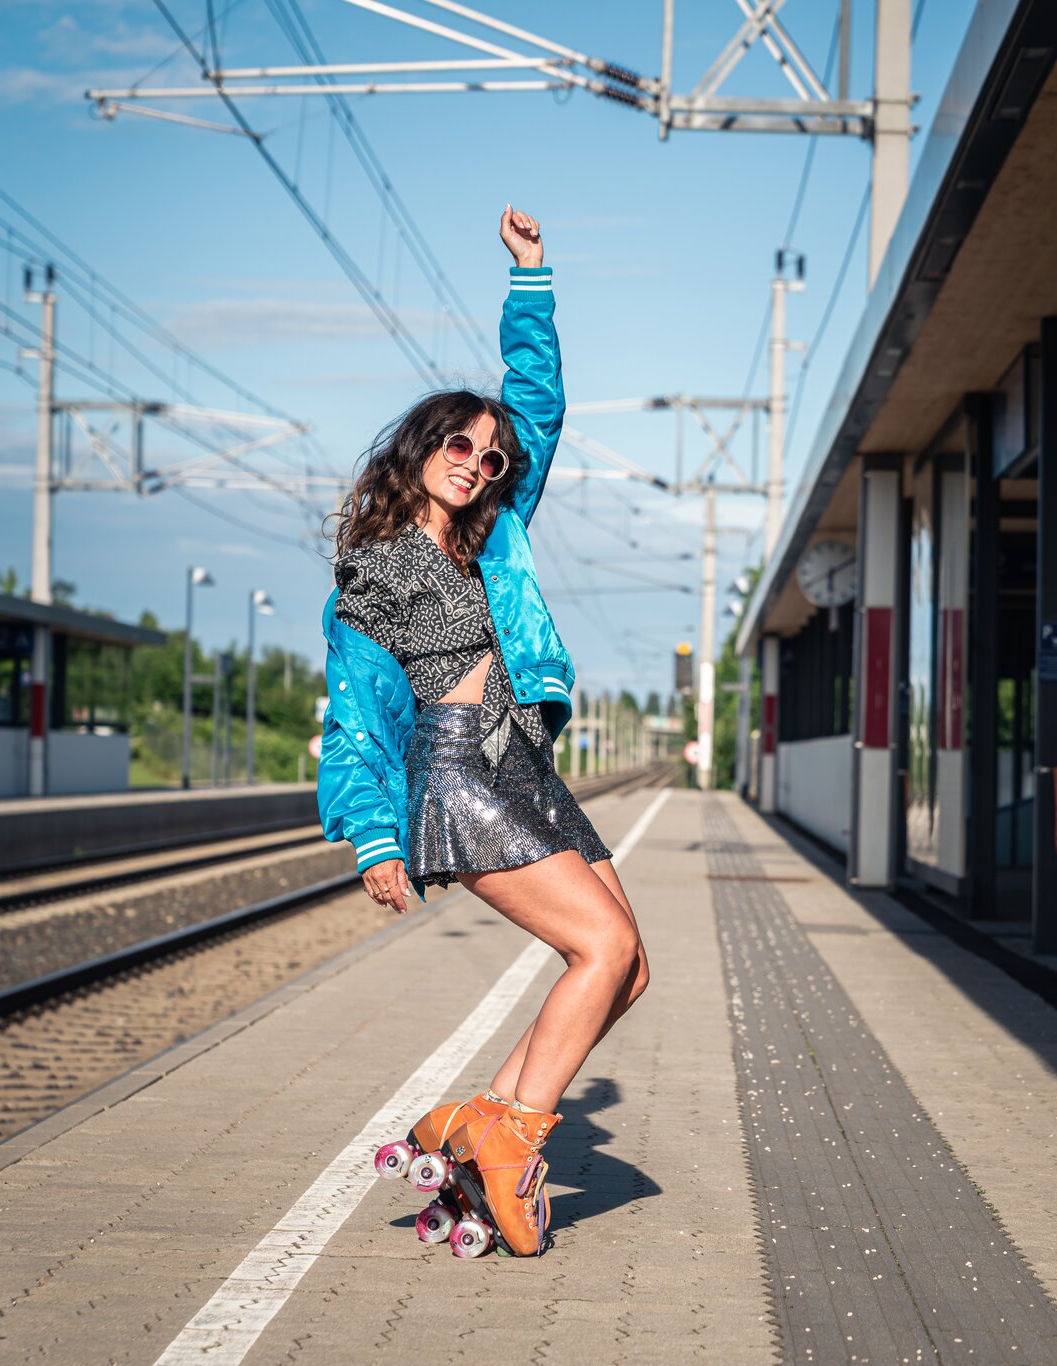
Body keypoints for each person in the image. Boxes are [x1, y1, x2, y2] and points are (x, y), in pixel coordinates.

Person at [317, 206, 647, 1258]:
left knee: (628, 970)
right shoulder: (373, 578)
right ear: (421, 451)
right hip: (459, 774)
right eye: (458, 443)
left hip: (527, 769)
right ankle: (508, 1141)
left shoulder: (496, 535)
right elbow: (355, 719)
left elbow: (536, 408)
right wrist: (372, 834)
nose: (475, 460)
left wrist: (532, 277)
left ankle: (474, 1124)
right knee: (601, 945)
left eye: (490, 455)